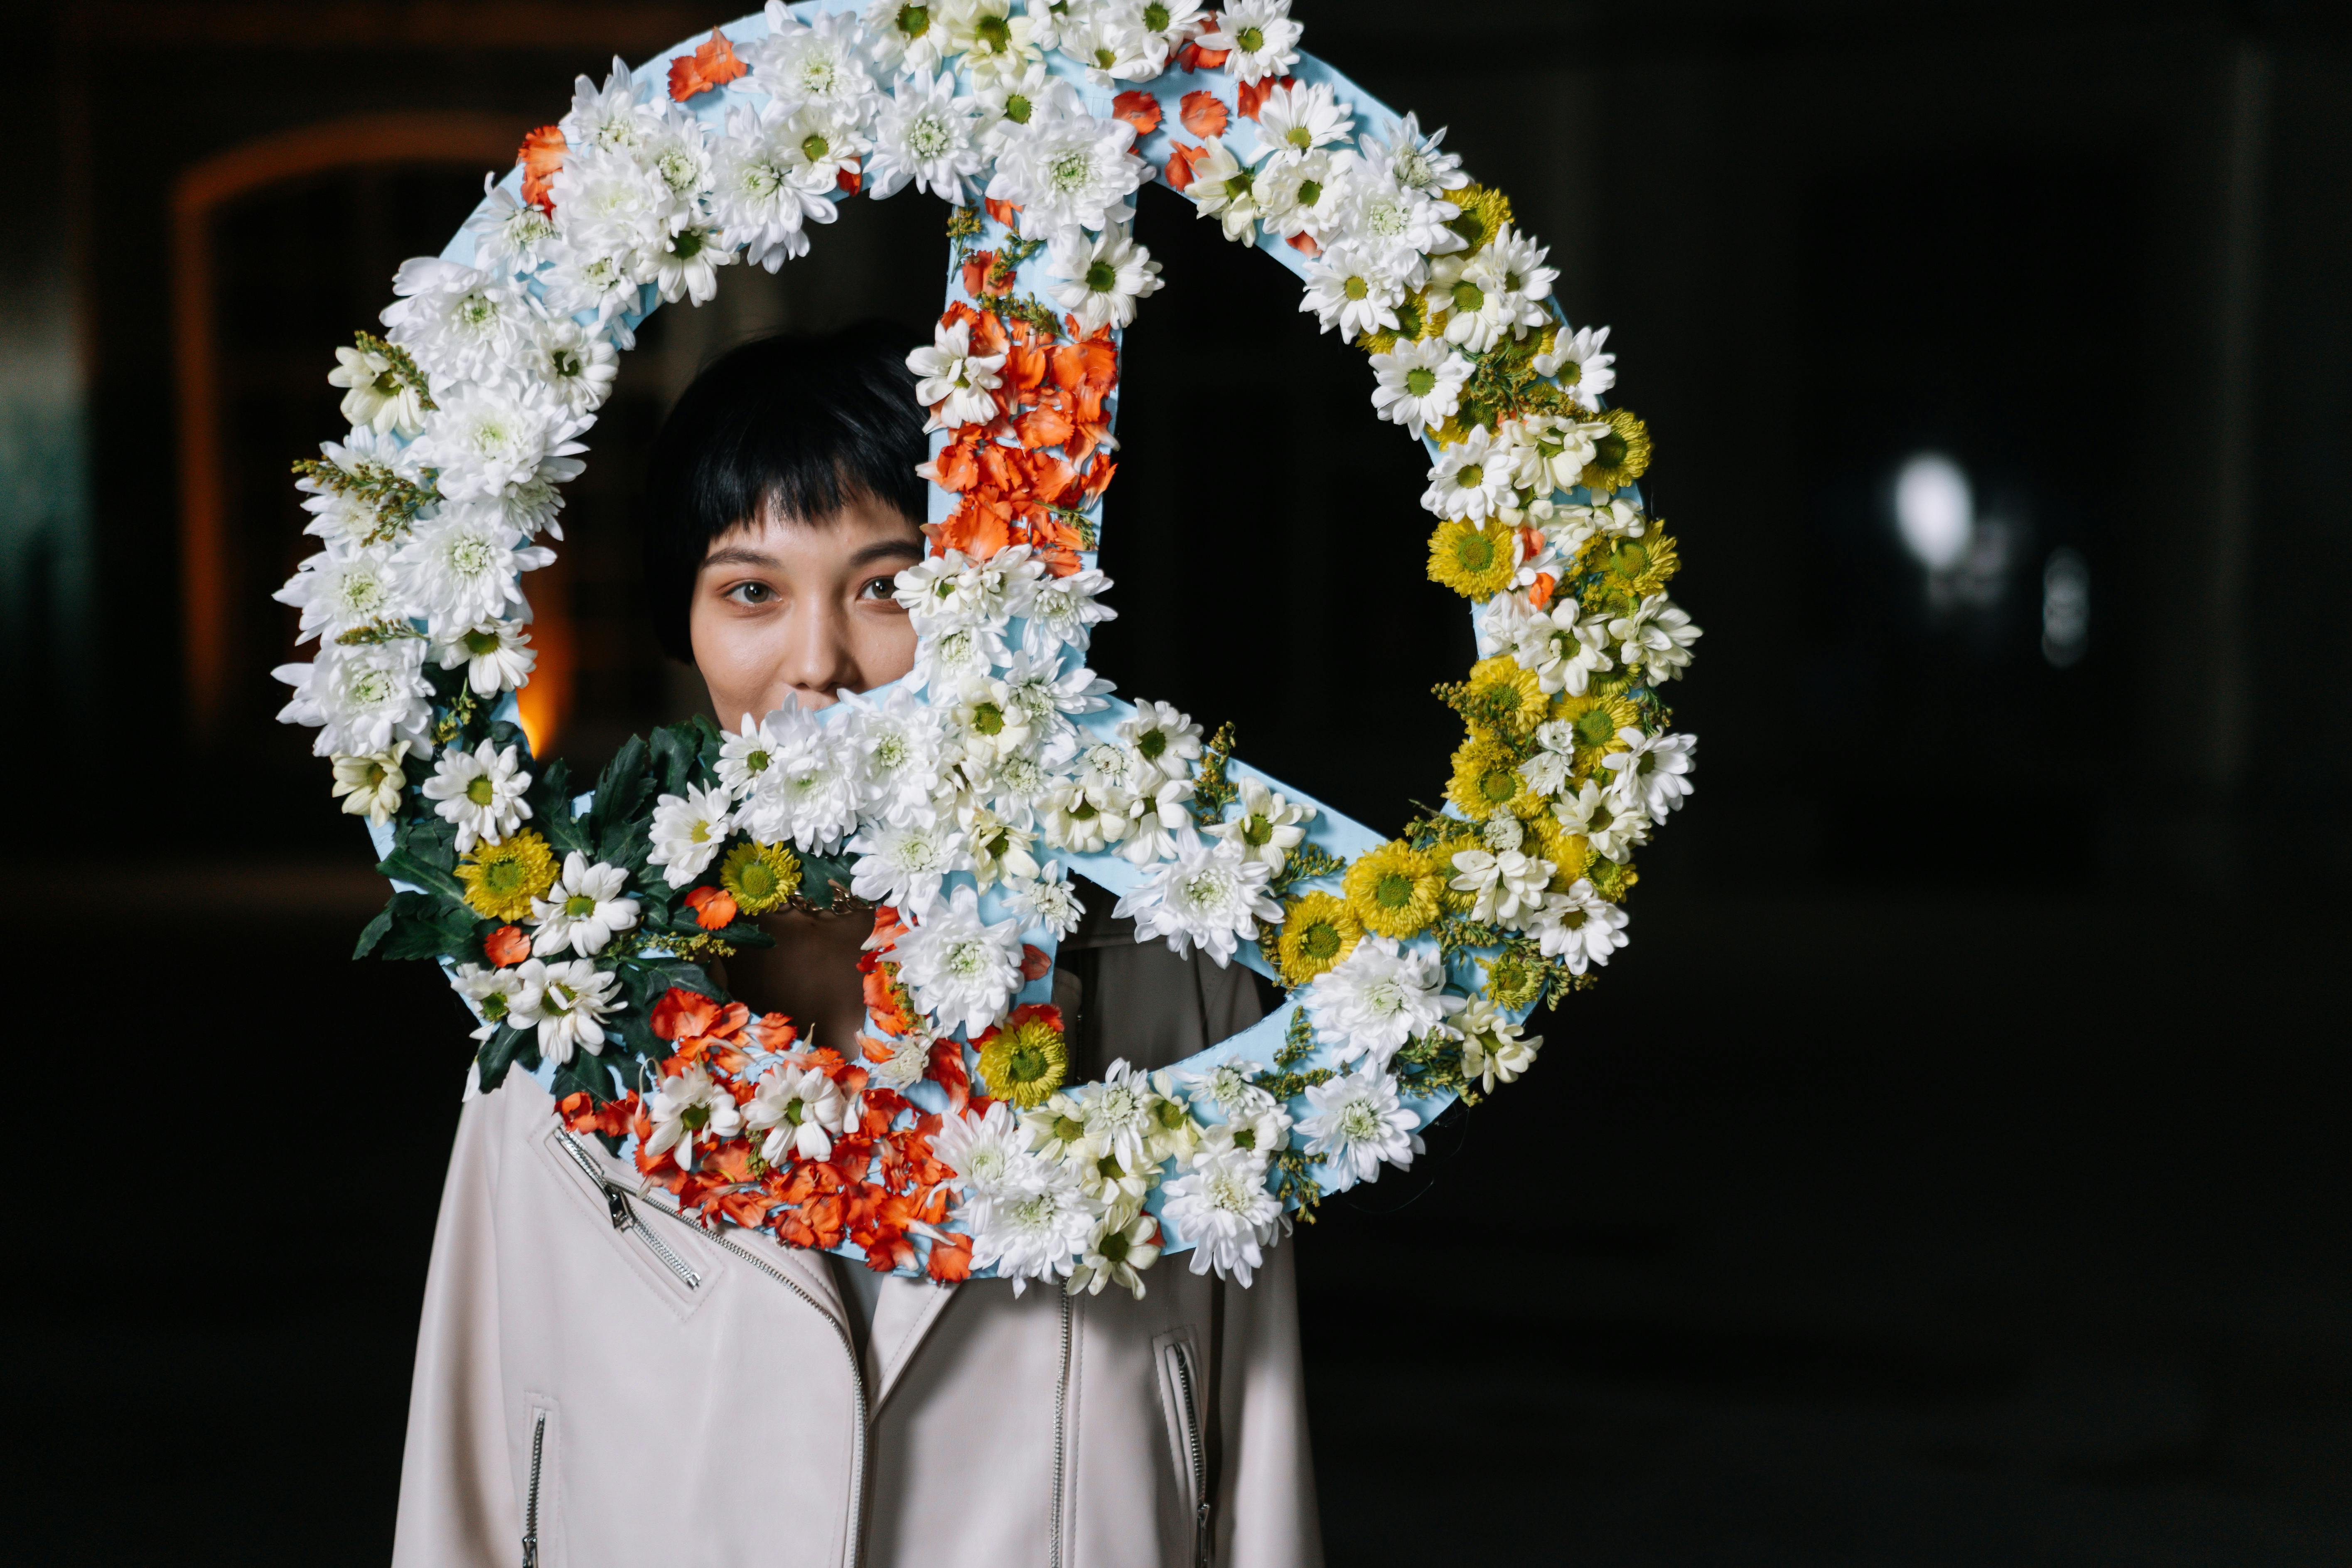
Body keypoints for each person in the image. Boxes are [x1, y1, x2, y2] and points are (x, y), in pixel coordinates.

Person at [391, 322, 1323, 1568]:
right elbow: (469, 1437)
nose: (819, 662)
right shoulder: (566, 988)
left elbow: (1252, 1421)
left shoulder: (1169, 973)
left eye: (890, 585)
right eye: (752, 591)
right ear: (686, 616)